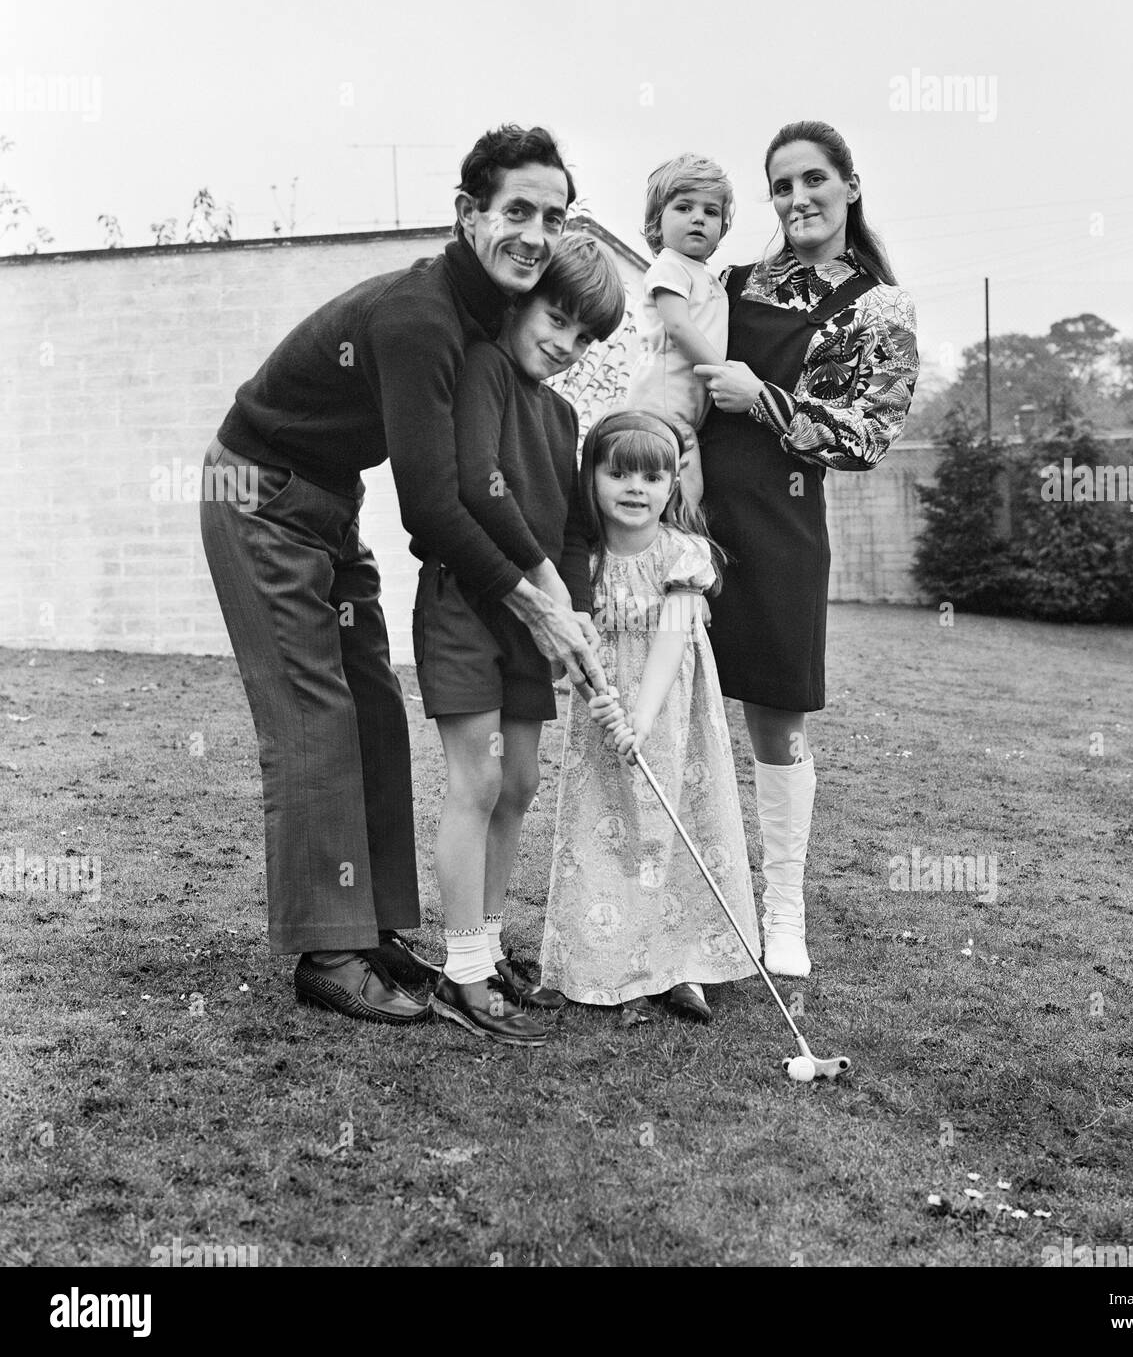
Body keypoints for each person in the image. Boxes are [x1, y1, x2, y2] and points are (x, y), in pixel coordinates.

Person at [199, 125, 607, 1026]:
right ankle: (328, 953)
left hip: (327, 503)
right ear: (467, 214)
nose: (535, 234)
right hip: (256, 492)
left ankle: (376, 926)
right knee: (315, 713)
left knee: (374, 708)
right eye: (516, 211)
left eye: (553, 216)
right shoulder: (422, 319)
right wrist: (538, 609)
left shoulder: (488, 316)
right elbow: (432, 507)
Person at [693, 120, 919, 978]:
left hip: (783, 531)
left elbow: (868, 437)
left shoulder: (878, 308)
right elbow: (674, 378)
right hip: (691, 518)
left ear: (850, 186)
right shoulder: (729, 280)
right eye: (781, 186)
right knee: (681, 709)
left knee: (775, 724)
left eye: (814, 180)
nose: (797, 199)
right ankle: (696, 906)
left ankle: (782, 914)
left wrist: (765, 400)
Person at [416, 233, 625, 1045]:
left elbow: (573, 527)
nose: (565, 343)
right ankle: (461, 973)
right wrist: (544, 585)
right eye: (556, 318)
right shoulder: (484, 368)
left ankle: (492, 947)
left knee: (522, 781)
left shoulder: (564, 410)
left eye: (584, 335)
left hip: (534, 615)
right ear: (519, 303)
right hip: (469, 602)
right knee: (477, 779)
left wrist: (573, 607)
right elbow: (477, 486)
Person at [540, 411, 760, 1023]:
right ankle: (599, 963)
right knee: (604, 830)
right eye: (619, 473)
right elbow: (571, 644)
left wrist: (640, 715)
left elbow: (672, 641)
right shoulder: (578, 561)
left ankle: (681, 966)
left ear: (672, 486)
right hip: (604, 719)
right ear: (592, 479)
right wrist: (601, 703)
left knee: (678, 828)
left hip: (672, 718)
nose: (636, 488)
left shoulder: (683, 553)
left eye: (654, 476)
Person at [625, 155, 734, 510]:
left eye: (711, 211)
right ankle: (679, 546)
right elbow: (678, 326)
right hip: (662, 406)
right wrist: (722, 370)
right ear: (657, 222)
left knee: (673, 483)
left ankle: (675, 541)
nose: (698, 218)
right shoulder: (669, 266)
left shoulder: (705, 276)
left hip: (684, 411)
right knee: (687, 486)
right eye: (684, 207)